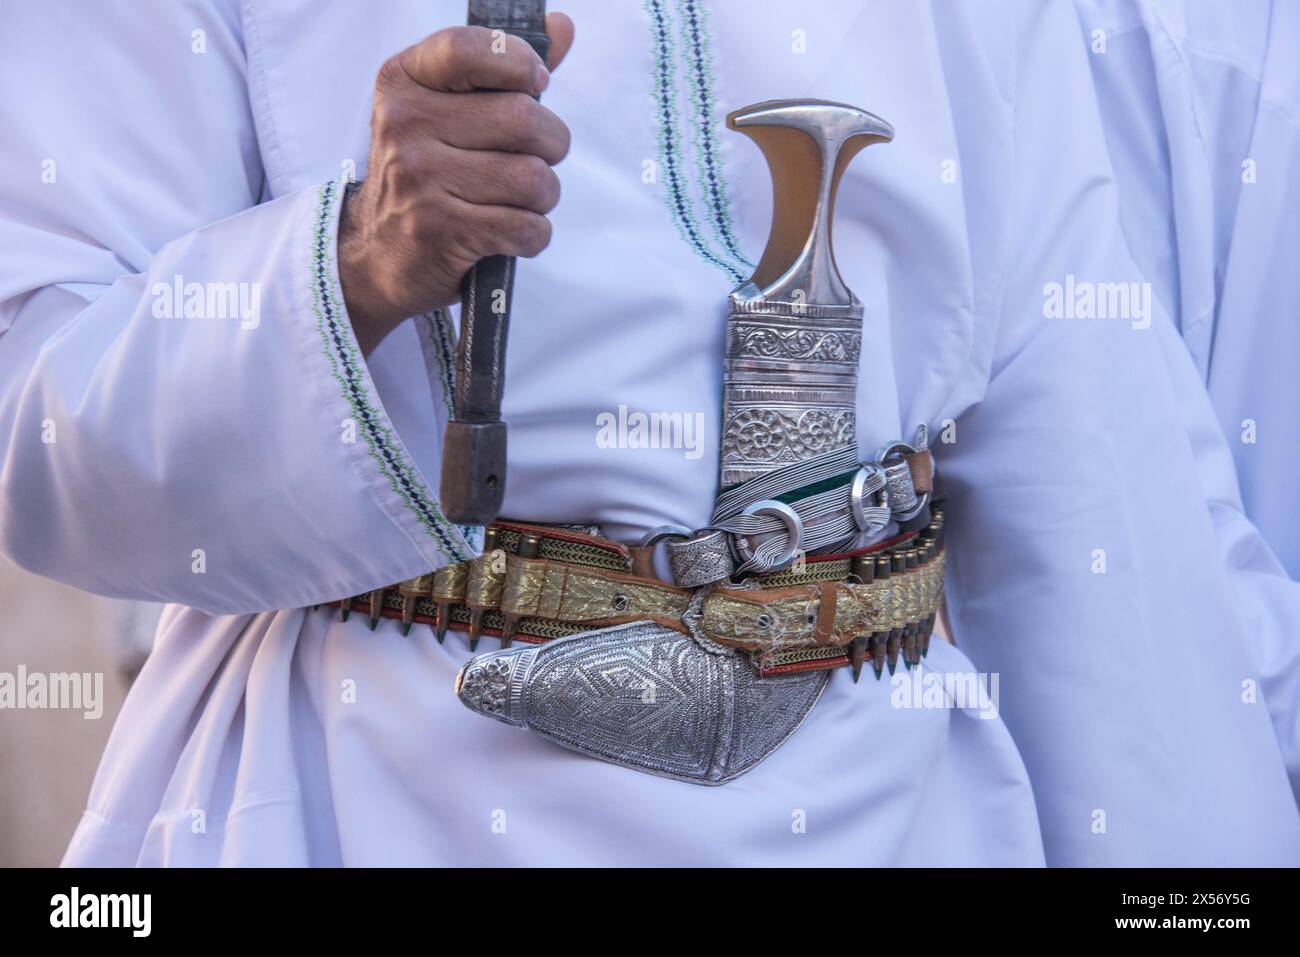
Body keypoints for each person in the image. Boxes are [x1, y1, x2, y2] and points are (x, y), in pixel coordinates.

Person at [0, 0, 1295, 866]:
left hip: (893, 816)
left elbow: (1097, 493)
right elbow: (38, 426)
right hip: (376, 799)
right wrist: (351, 262)